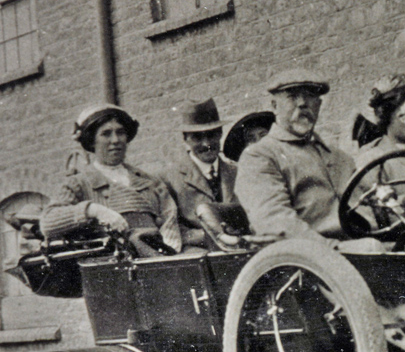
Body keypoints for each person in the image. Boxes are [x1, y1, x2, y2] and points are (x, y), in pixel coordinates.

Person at [235, 68, 380, 252]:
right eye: (292, 97)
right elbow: (274, 223)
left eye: (310, 96)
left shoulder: (341, 158)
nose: (302, 104)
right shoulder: (260, 156)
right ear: (274, 106)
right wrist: (335, 248)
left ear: (319, 104)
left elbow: (372, 207)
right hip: (312, 258)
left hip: (369, 248)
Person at [41, 104, 182, 255]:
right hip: (109, 263)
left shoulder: (150, 181)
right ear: (92, 141)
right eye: (106, 134)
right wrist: (93, 210)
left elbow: (170, 219)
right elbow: (48, 222)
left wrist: (169, 252)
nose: (115, 140)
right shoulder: (78, 183)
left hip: (157, 258)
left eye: (120, 133)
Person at [157, 98, 237, 251]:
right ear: (185, 139)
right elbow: (171, 228)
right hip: (200, 253)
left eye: (211, 135)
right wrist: (209, 236)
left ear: (220, 133)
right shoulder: (168, 179)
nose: (206, 144)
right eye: (197, 137)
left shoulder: (237, 172)